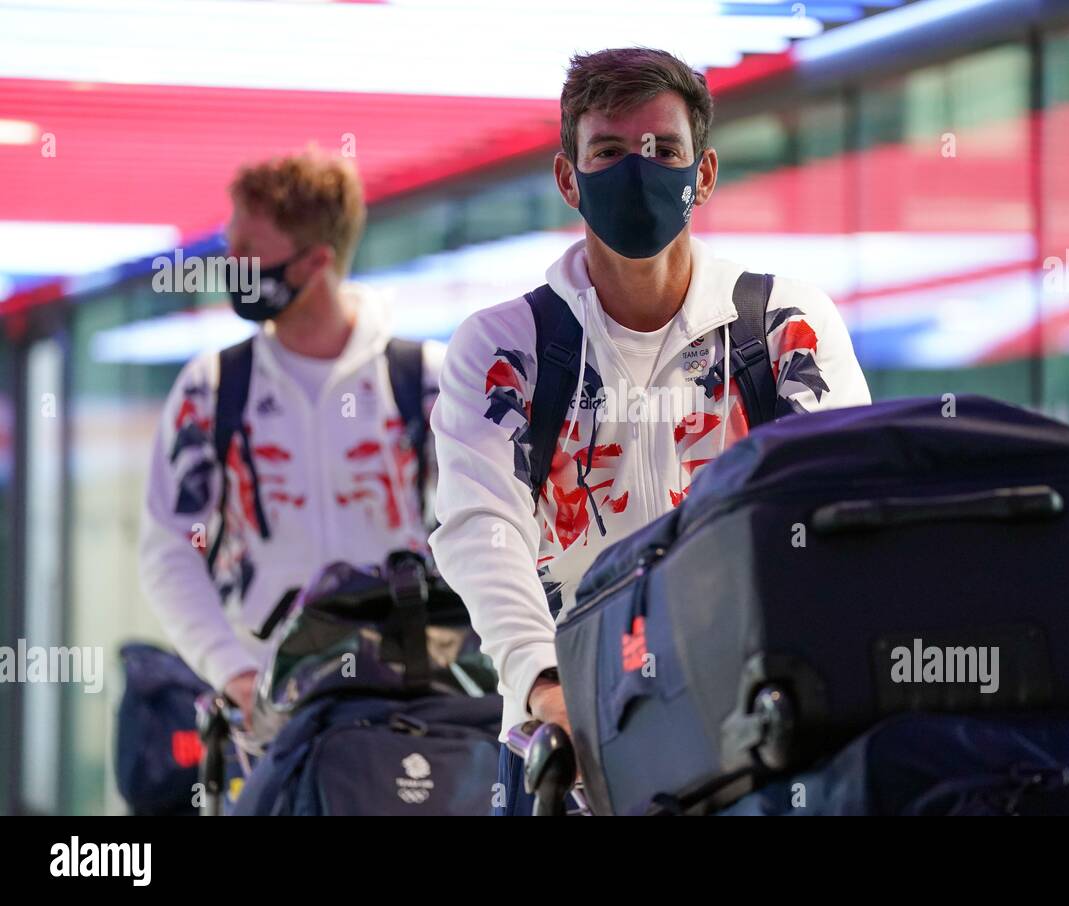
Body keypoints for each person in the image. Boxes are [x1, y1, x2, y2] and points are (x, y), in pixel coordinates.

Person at [429, 48, 872, 813]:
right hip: (566, 753)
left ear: (702, 175)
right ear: (569, 178)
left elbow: (840, 508)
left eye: (664, 150)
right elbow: (480, 526)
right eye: (608, 150)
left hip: (755, 742)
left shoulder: (785, 328)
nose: (639, 169)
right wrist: (542, 680)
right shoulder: (506, 348)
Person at [140, 151, 444, 720]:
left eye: (247, 251)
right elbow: (171, 546)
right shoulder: (211, 389)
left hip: (413, 703)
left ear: (314, 262)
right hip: (264, 714)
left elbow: (491, 528)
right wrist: (232, 668)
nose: (229, 263)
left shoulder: (428, 380)